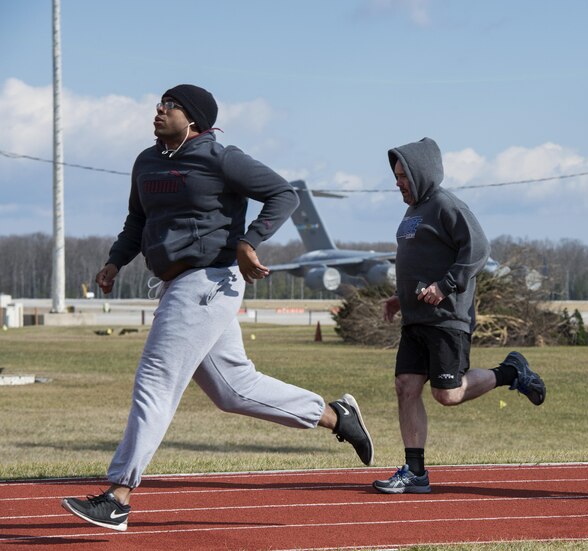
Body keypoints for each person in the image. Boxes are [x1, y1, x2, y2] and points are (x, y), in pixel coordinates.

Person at [60, 84, 373, 532]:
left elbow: (284, 195)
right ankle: (333, 415)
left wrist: (250, 241)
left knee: (156, 379)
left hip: (210, 280)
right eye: (160, 103)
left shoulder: (221, 158)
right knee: (234, 389)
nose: (159, 110)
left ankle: (118, 496)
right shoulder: (146, 162)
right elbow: (138, 221)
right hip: (176, 284)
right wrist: (114, 262)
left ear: (193, 118)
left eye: (170, 106)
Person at [372, 137, 546, 494]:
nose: (398, 182)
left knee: (447, 395)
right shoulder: (413, 212)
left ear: (421, 173)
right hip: (416, 319)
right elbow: (419, 261)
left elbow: (478, 248)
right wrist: (399, 298)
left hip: (447, 319)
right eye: (396, 175)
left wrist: (446, 285)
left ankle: (511, 371)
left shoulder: (446, 205)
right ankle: (415, 472)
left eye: (403, 175)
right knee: (406, 387)